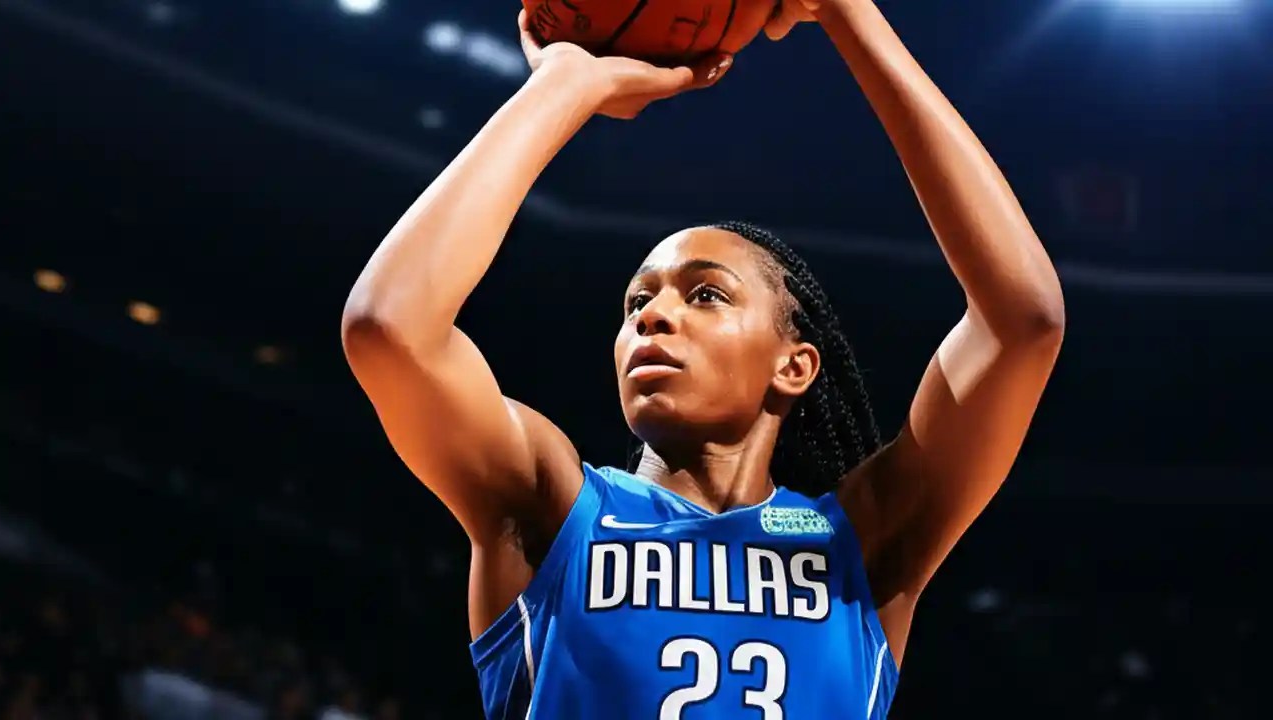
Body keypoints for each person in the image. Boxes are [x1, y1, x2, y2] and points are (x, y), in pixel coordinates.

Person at [341, 0, 1064, 717]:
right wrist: (566, 83)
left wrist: (849, 14)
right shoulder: (553, 507)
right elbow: (389, 326)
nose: (652, 315)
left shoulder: (862, 543)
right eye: (636, 303)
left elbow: (1024, 321)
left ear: (794, 366)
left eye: (706, 295)